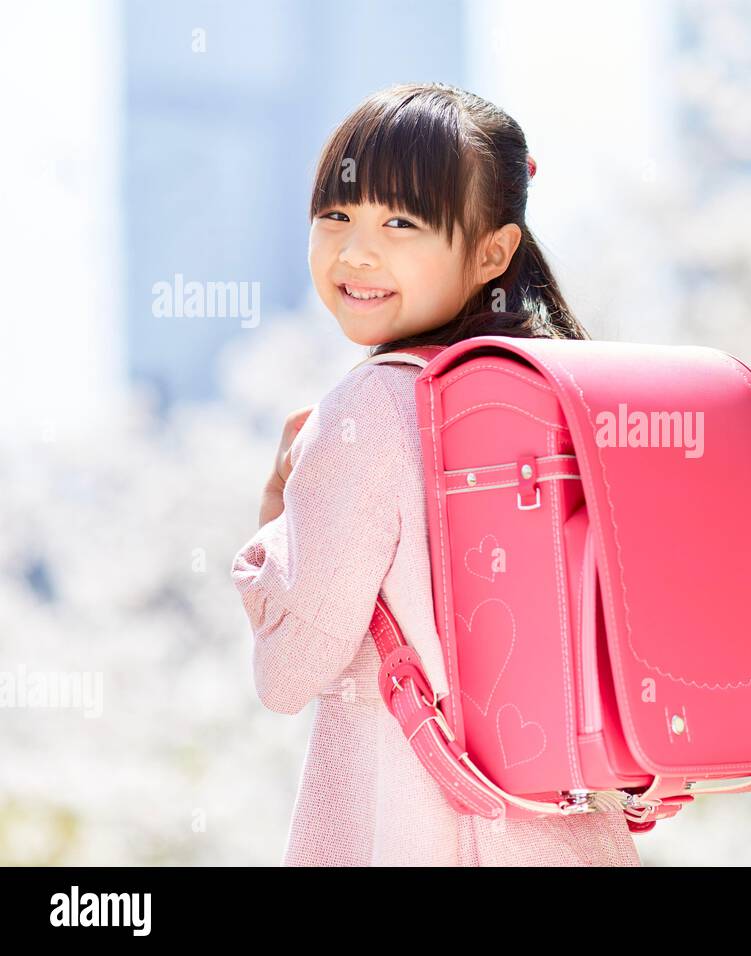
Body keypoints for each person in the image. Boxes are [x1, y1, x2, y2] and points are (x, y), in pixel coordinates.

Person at [230, 83, 639, 866]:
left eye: (401, 223)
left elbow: (287, 674)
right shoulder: (570, 395)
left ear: (493, 251)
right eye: (337, 216)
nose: (356, 251)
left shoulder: (371, 406)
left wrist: (275, 516)